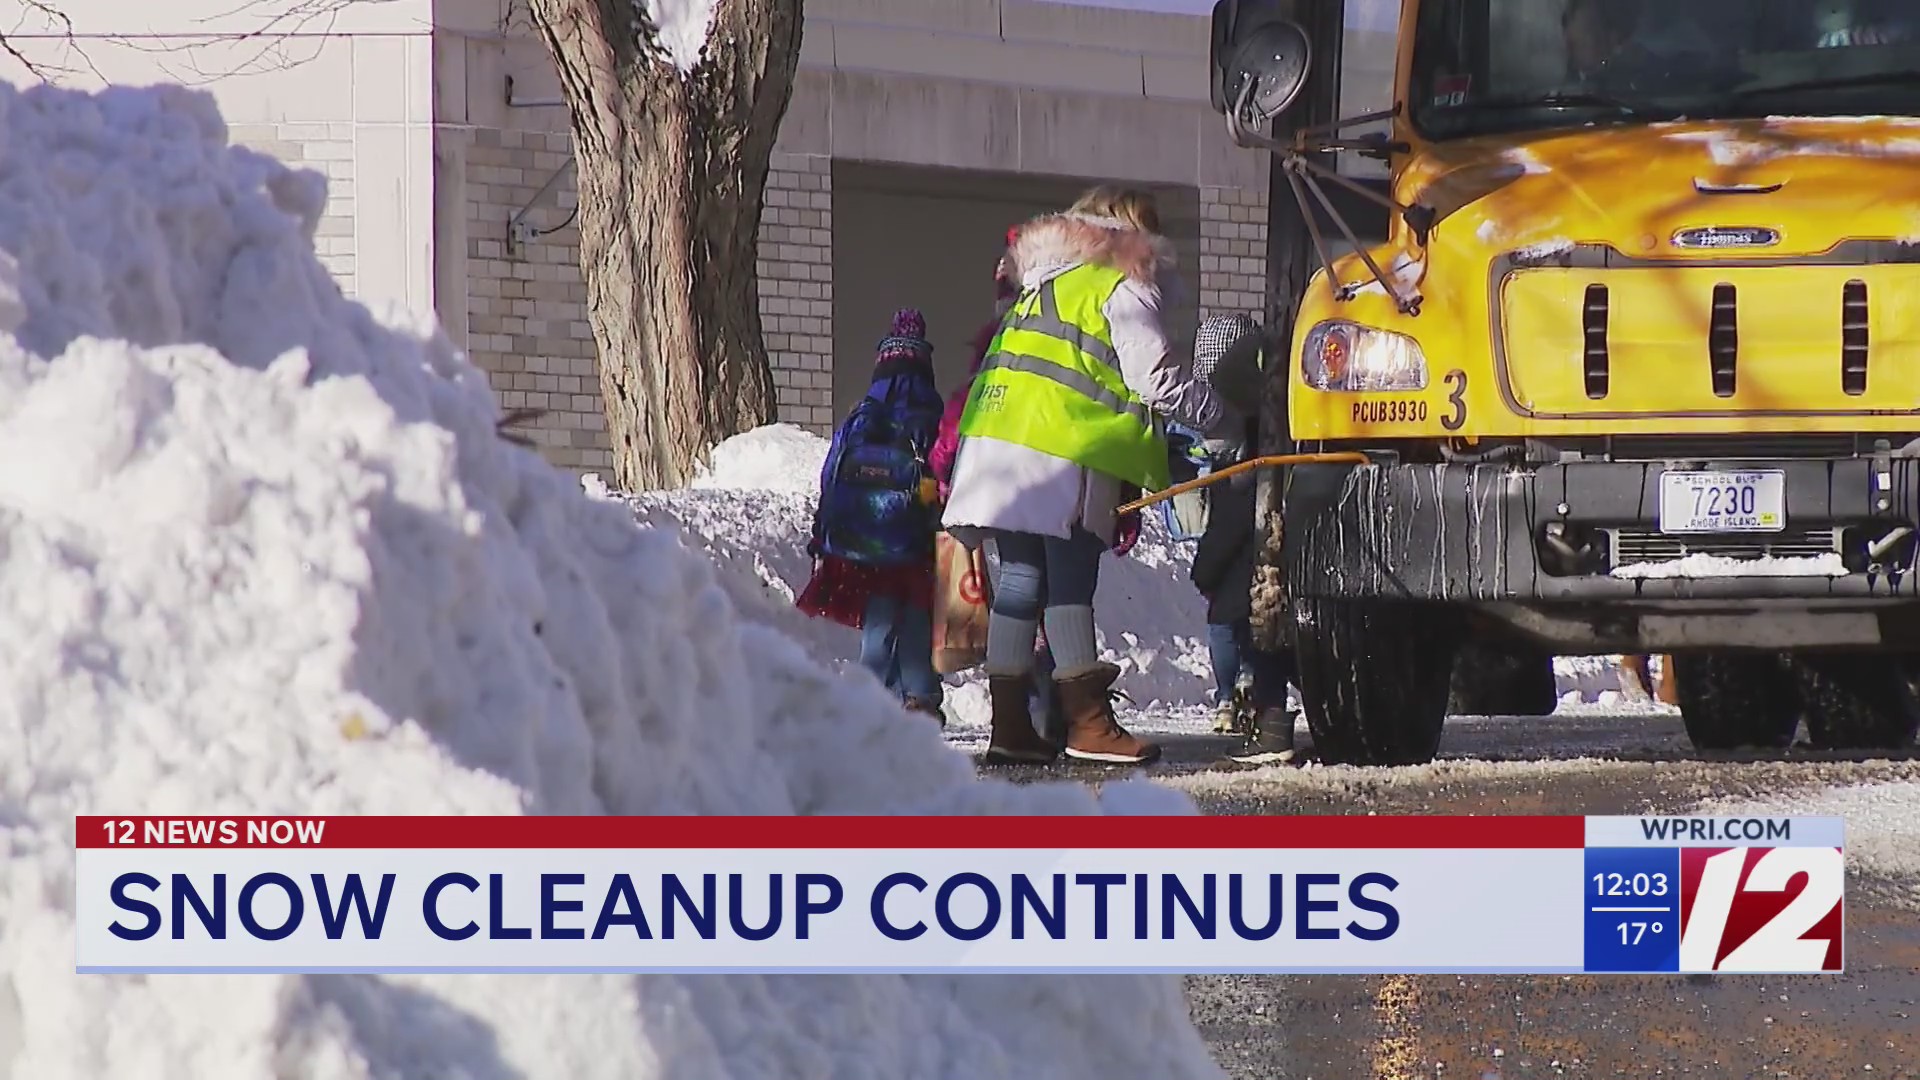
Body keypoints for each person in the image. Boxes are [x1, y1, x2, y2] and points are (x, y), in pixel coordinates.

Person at [943, 185, 1264, 765]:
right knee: (1069, 585)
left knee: (1019, 583)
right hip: (1065, 445)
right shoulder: (1121, 281)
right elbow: (1154, 377)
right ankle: (1088, 725)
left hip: (997, 438)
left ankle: (1010, 728)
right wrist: (1224, 420)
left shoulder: (1042, 282)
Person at [797, 309, 948, 721]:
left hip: (866, 535)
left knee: (879, 613)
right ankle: (919, 696)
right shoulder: (930, 414)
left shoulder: (862, 415)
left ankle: (869, 692)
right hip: (914, 536)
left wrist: (822, 530)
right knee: (917, 610)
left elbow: (832, 474)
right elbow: (945, 472)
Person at [1187, 316, 1301, 761]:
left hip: (1247, 577)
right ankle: (1260, 713)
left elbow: (1232, 520)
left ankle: (1266, 725)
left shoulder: (1244, 452)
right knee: (1267, 647)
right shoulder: (1270, 433)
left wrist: (1206, 566)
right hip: (1260, 571)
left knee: (1261, 643)